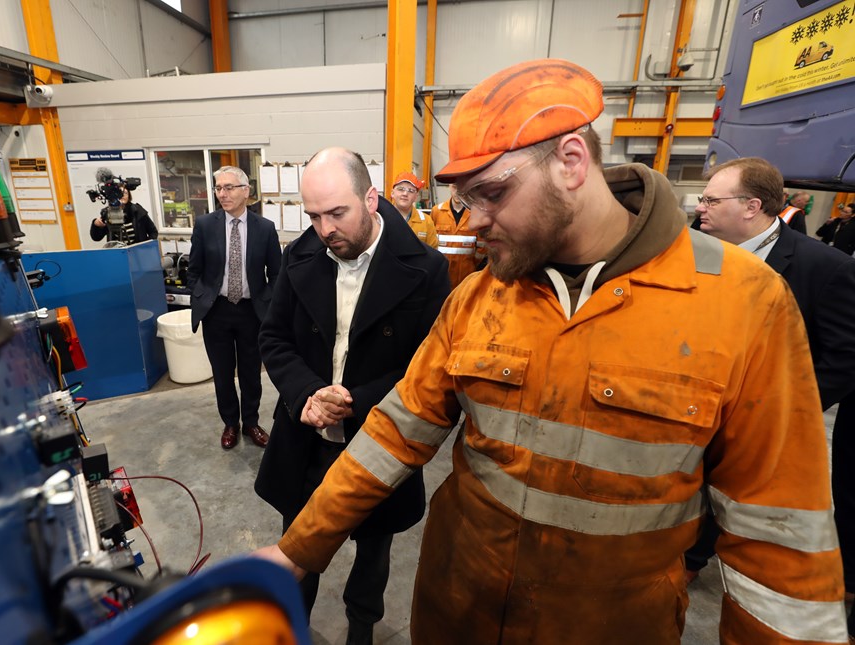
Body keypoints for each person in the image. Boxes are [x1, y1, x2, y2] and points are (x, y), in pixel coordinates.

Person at [254, 59, 847, 643]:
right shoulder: (481, 297)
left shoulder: (742, 301)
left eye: (491, 193)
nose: (474, 222)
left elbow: (779, 536)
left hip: (605, 627)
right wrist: (297, 550)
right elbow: (396, 432)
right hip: (457, 610)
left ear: (570, 161)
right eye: (465, 198)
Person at [255, 147, 449, 644]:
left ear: (371, 198)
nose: (324, 229)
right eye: (314, 215)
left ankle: (361, 627)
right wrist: (306, 395)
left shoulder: (425, 269)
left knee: (373, 548)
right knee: (299, 547)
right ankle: (293, 627)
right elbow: (273, 338)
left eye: (337, 213)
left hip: (378, 440)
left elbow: (426, 364)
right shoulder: (298, 257)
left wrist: (356, 398)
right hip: (305, 437)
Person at [692, 159, 855, 629]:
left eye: (710, 200)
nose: (700, 208)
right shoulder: (699, 253)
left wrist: (785, 410)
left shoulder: (824, 268)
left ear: (752, 207)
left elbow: (844, 356)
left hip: (769, 418)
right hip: (704, 401)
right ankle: (691, 559)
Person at [187, 166, 281, 450]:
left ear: (245, 191)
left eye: (228, 188)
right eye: (218, 188)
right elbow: (194, 271)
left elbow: (276, 273)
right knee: (223, 372)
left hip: (252, 312)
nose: (222, 194)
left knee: (252, 372)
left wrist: (267, 300)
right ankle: (231, 423)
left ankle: (251, 422)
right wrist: (203, 296)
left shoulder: (264, 228)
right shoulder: (205, 225)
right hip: (216, 311)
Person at [431, 183, 485, 288]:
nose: (458, 192)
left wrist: (470, 264)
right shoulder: (437, 211)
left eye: (462, 187)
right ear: (449, 187)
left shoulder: (476, 213)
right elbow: (431, 243)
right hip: (441, 275)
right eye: (455, 187)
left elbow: (482, 247)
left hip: (467, 276)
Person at [88, 187, 158, 245]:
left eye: (125, 193)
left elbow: (153, 233)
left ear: (129, 196)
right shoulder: (108, 212)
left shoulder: (138, 211)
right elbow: (96, 237)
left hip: (138, 253)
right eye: (119, 193)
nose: (122, 195)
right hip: (117, 254)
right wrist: (95, 224)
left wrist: (145, 246)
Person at [390, 172, 438, 248]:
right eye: (401, 189)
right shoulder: (380, 218)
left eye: (411, 191)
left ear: (416, 196)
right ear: (392, 193)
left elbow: (433, 253)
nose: (405, 193)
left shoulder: (426, 221)